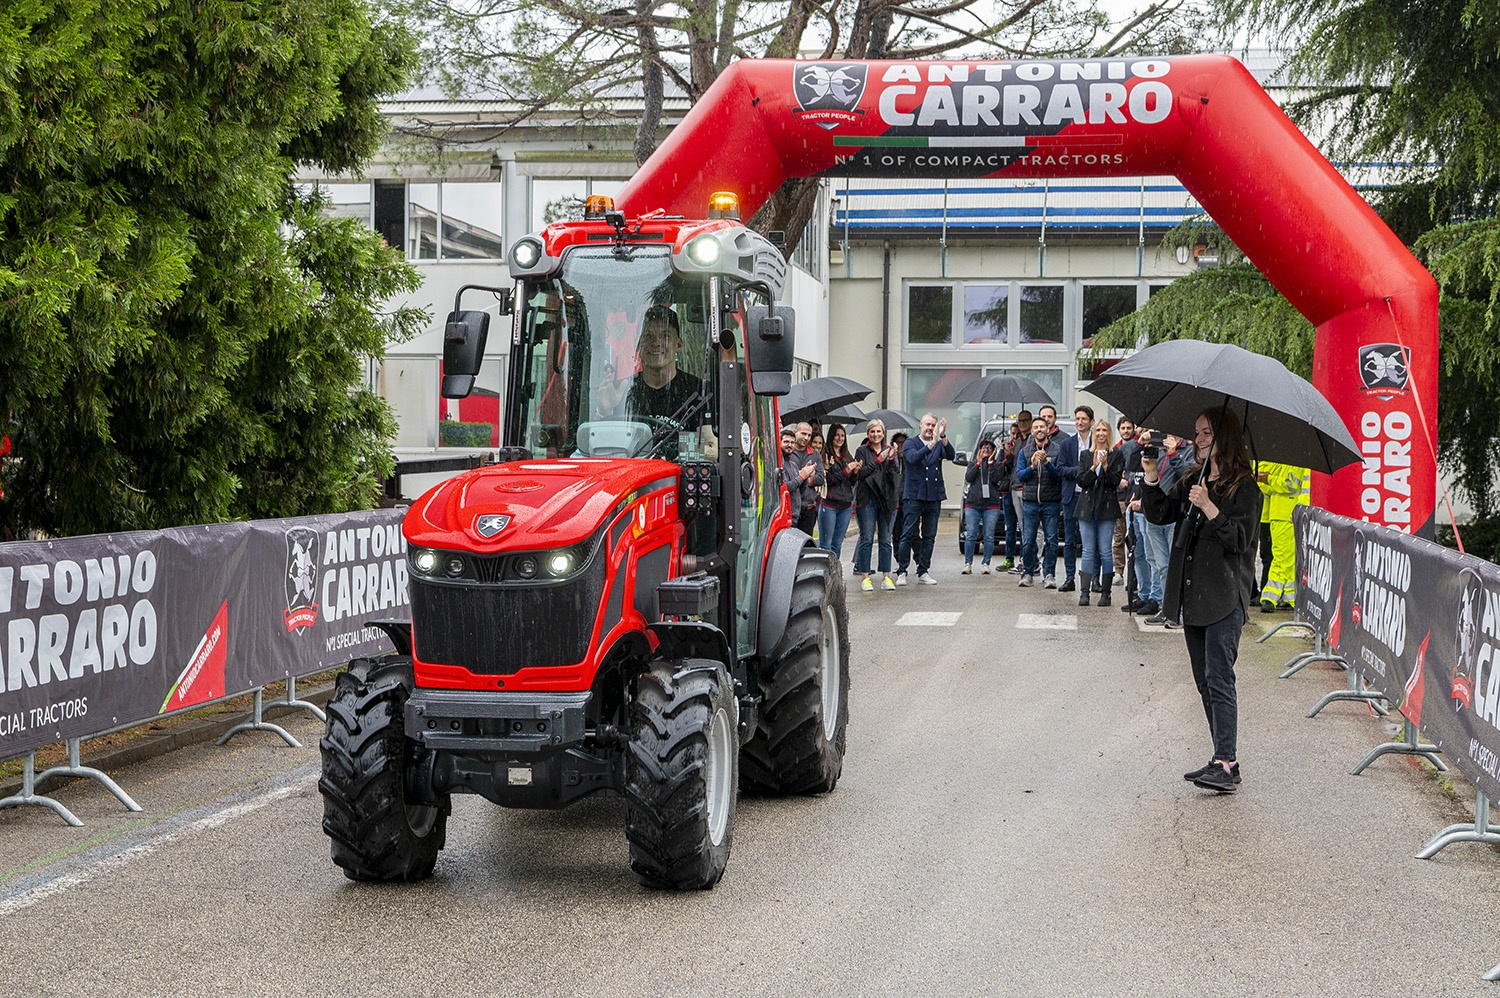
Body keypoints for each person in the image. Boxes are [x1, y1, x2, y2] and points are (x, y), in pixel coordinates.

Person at [1141, 407, 1263, 794]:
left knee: (1219, 677)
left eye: (1207, 433)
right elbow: (1160, 513)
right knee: (1202, 680)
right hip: (1193, 595)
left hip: (1226, 595)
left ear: (1224, 437)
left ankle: (1225, 763)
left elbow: (1240, 542)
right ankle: (1223, 757)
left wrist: (1210, 507)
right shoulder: (1193, 478)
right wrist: (1150, 474)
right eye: (1197, 433)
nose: (1200, 440)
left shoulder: (1245, 488)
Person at [596, 305, 703, 422]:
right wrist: (603, 412)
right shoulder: (620, 391)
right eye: (648, 336)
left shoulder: (699, 391)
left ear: (678, 344)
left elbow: (708, 438)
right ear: (637, 345)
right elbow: (596, 438)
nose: (656, 343)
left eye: (665, 336)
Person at [899, 413, 955, 586]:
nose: (930, 428)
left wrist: (943, 436)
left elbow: (951, 455)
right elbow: (912, 458)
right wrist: (929, 446)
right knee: (908, 533)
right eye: (928, 425)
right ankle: (902, 570)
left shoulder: (939, 442)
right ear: (921, 424)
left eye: (933, 425)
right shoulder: (910, 443)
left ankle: (923, 570)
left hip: (933, 494)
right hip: (914, 494)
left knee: (929, 535)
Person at [1075, 420, 1125, 606]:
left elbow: (1114, 482)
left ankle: (1106, 593)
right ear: (1094, 433)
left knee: (1105, 550)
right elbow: (1081, 481)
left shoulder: (1116, 455)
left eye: (1104, 430)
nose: (1101, 433)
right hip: (1087, 507)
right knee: (1088, 550)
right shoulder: (1085, 455)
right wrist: (1093, 466)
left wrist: (1105, 466)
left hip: (1106, 507)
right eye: (1098, 430)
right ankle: (1084, 593)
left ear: (1109, 433)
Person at [1014, 418, 1064, 587]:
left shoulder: (1057, 450)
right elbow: (1020, 476)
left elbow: (1059, 476)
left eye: (1041, 426)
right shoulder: (1025, 451)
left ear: (1047, 429)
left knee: (1051, 540)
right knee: (1028, 540)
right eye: (1036, 427)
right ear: (1033, 431)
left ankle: (1049, 574)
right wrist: (1033, 466)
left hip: (1051, 502)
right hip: (1030, 502)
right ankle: (1028, 572)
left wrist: (1046, 463)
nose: (1039, 429)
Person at [853, 419, 901, 591]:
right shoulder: (861, 451)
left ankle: (886, 576)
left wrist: (892, 460)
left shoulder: (890, 450)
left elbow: (895, 476)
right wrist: (878, 461)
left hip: (886, 500)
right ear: (868, 434)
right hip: (867, 500)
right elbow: (859, 474)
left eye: (878, 431)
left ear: (883, 433)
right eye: (872, 431)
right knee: (866, 538)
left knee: (885, 540)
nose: (875, 435)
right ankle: (865, 576)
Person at [1256, 461, 1310, 611]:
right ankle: (1284, 596)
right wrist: (1267, 480)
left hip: (1285, 514)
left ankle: (1272, 597)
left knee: (1282, 556)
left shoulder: (1293, 459)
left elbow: (1290, 484)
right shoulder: (1294, 458)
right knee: (1286, 557)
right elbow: (1281, 486)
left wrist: (1268, 479)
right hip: (1283, 514)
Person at [1056, 405, 1091, 593]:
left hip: (1091, 496)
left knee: (1089, 540)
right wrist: (1079, 470)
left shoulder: (1097, 441)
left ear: (1090, 421)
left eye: (1083, 419)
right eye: (1077, 419)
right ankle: (1070, 578)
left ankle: (1092, 578)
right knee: (1069, 540)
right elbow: (1060, 468)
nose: (1079, 422)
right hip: (1071, 496)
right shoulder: (1067, 444)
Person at [961, 437, 1009, 574]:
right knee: (971, 535)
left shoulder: (997, 464)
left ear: (994, 451)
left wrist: (991, 463)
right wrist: (977, 463)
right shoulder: (973, 463)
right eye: (983, 448)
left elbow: (996, 478)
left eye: (989, 448)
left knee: (989, 536)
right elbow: (969, 478)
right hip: (973, 504)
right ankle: (967, 563)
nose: (985, 450)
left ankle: (986, 563)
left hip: (991, 505)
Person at [817, 424, 860, 560]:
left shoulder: (847, 456)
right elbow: (829, 480)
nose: (840, 438)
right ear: (831, 436)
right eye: (837, 435)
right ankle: (823, 574)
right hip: (829, 505)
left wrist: (855, 472)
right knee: (826, 544)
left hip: (845, 506)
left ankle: (835, 573)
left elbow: (851, 482)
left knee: (837, 544)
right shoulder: (825, 455)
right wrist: (847, 470)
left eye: (842, 435)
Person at [785, 421, 823, 536]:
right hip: (791, 507)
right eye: (803, 434)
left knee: (806, 545)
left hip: (808, 506)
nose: (806, 438)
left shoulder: (815, 454)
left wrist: (805, 478)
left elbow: (821, 478)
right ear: (795, 432)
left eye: (809, 435)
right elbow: (786, 480)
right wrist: (802, 475)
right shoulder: (788, 451)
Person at [1112, 417, 1138, 585]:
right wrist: (1118, 480)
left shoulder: (1139, 448)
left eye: (1129, 427)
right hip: (1119, 499)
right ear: (1119, 430)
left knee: (1134, 539)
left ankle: (1134, 575)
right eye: (1123, 428)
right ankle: (1118, 571)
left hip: (1134, 499)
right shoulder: (1115, 450)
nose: (1126, 430)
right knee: (1118, 538)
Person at [890, 431, 912, 584]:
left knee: (910, 533)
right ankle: (900, 562)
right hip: (893, 501)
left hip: (908, 501)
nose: (900, 446)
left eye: (903, 443)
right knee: (896, 534)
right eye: (898, 443)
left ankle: (914, 562)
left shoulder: (911, 460)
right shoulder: (891, 460)